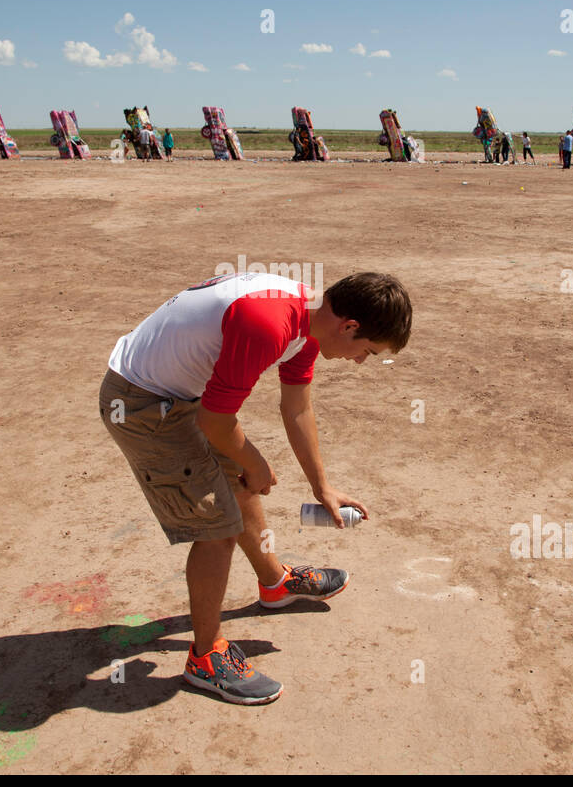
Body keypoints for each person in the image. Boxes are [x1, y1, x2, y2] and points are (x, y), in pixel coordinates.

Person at [99, 271, 413, 705]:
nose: (361, 361)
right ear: (350, 326)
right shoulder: (268, 322)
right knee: (217, 528)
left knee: (240, 485)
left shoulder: (308, 319)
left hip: (180, 392)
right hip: (141, 402)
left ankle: (274, 584)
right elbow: (215, 422)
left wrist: (322, 487)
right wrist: (258, 463)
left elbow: (297, 406)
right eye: (367, 352)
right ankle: (206, 658)